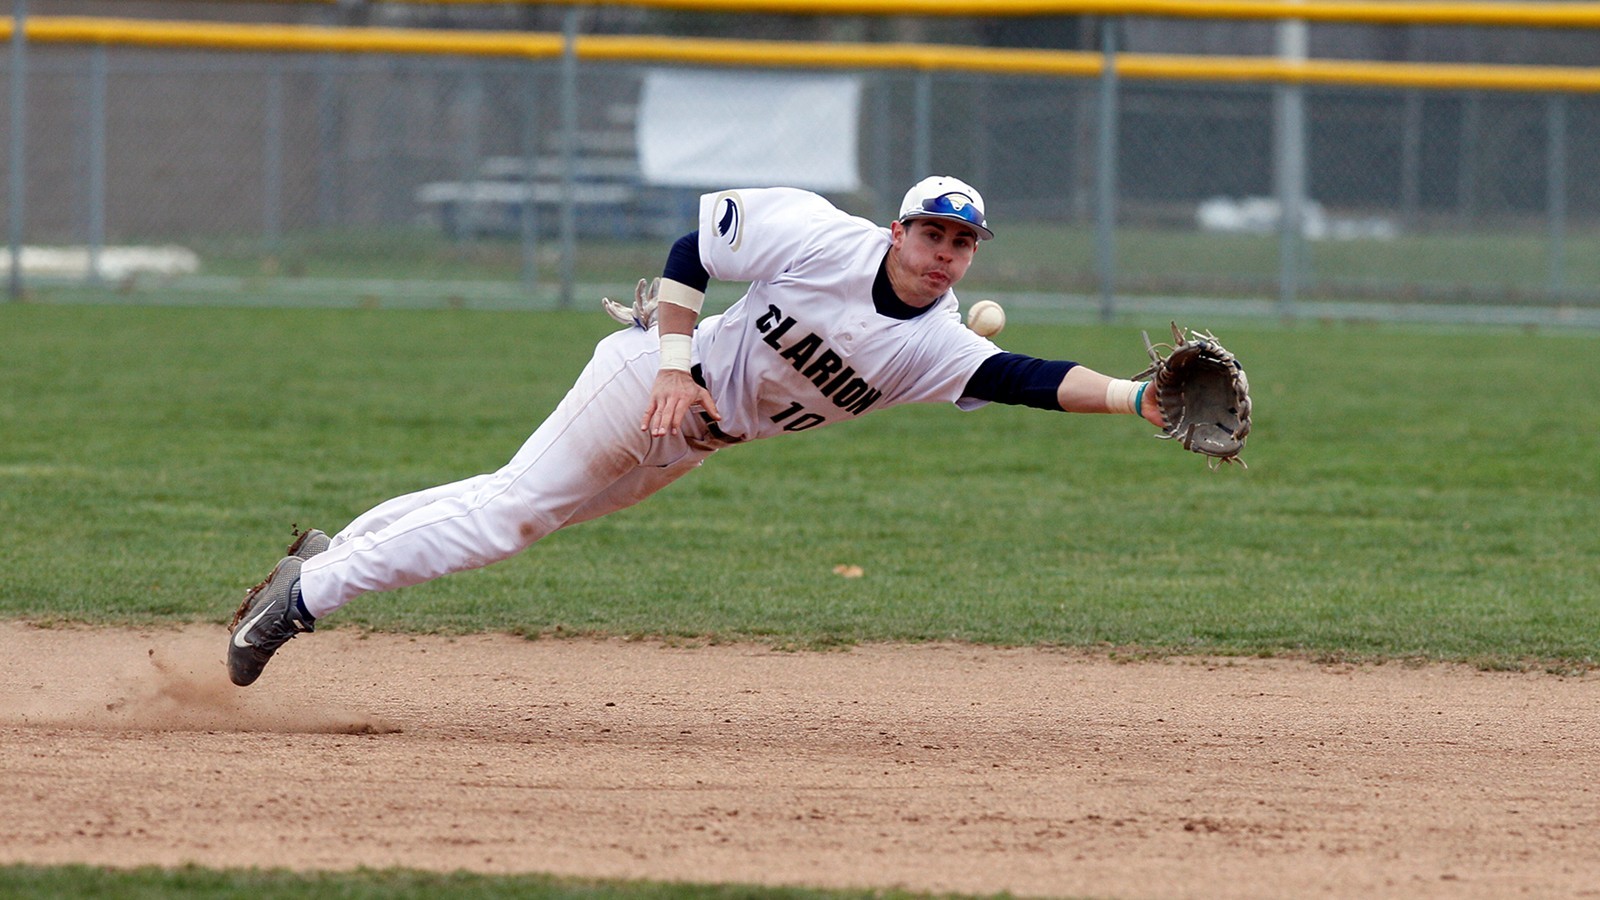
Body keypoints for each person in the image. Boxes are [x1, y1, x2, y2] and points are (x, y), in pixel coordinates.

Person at [226, 175, 1163, 687]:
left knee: (518, 503)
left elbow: (1027, 378)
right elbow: (694, 250)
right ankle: (304, 600)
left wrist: (1135, 397)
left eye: (961, 245)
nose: (944, 256)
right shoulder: (820, 236)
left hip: (699, 438)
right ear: (894, 231)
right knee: (512, 515)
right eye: (930, 235)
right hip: (655, 379)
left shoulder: (935, 347)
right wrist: (672, 366)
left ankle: (331, 552)